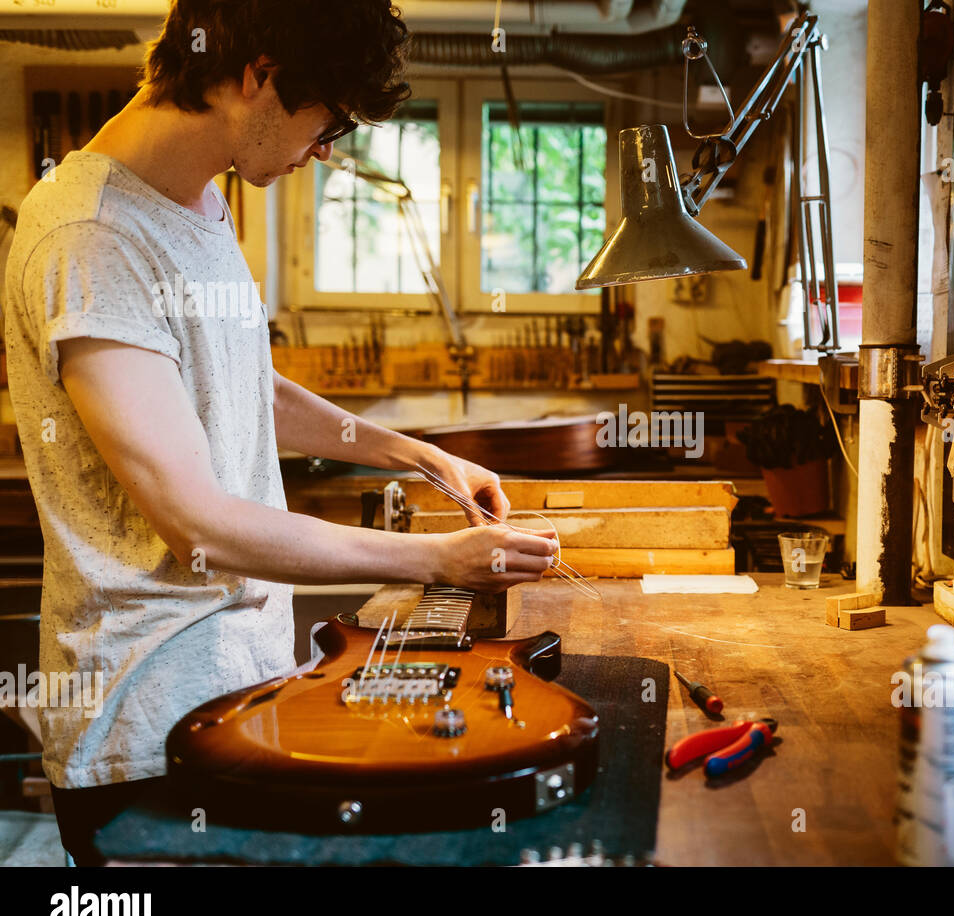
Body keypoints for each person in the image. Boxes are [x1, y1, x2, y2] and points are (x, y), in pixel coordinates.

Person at [1, 0, 558, 865]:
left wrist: (417, 456)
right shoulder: (91, 238)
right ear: (258, 76)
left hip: (242, 691)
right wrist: (432, 561)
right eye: (328, 118)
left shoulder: (196, 202)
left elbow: (235, 378)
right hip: (151, 731)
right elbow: (198, 524)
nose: (329, 147)